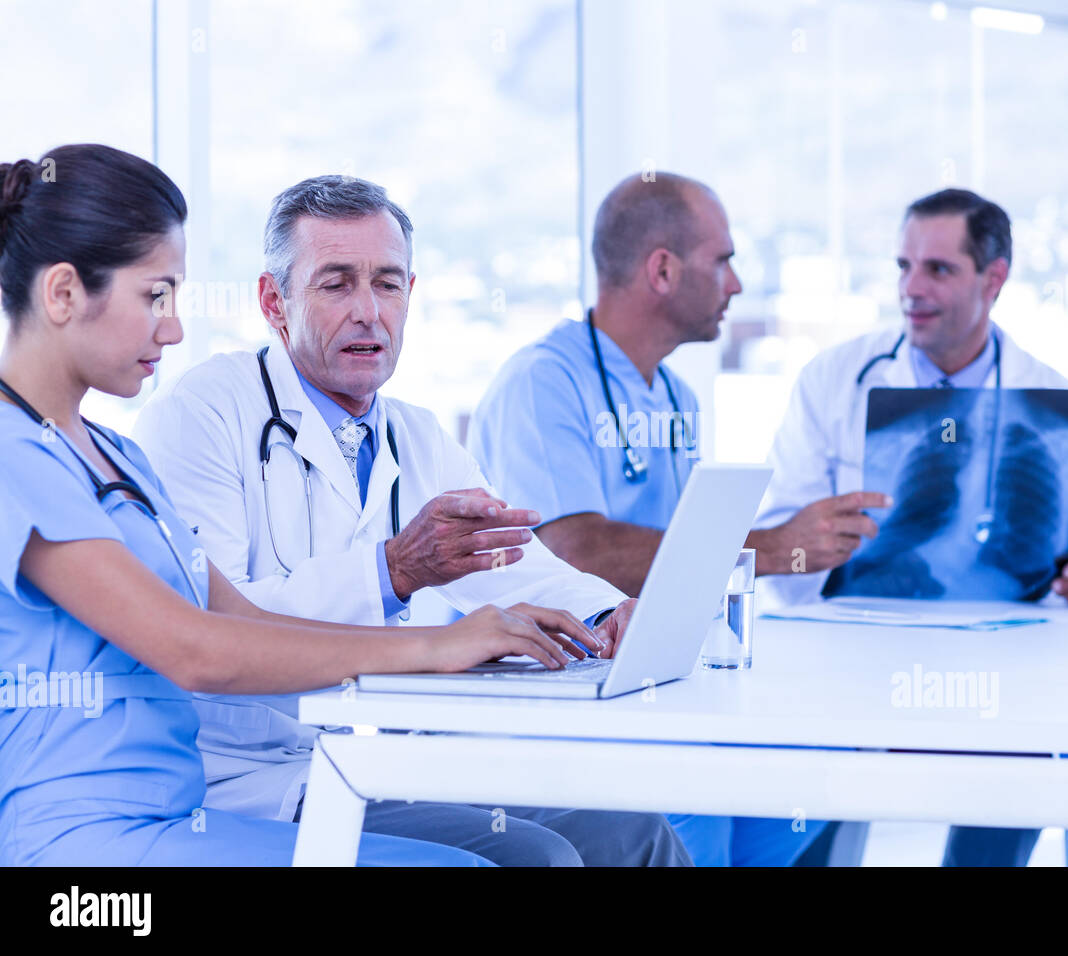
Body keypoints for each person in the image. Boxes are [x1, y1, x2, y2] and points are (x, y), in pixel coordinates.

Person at [0, 144, 591, 866]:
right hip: (82, 852)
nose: (174, 327)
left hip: (174, 814)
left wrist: (468, 638)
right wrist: (435, 643)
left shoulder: (115, 459)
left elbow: (241, 620)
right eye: (155, 295)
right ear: (62, 294)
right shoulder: (14, 455)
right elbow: (196, 651)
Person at [133, 174, 688, 867]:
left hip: (394, 758)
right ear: (274, 302)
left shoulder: (418, 438)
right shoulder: (204, 414)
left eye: (388, 284)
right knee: (536, 857)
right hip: (256, 776)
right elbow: (212, 631)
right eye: (336, 283)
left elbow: (523, 566)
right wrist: (391, 572)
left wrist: (611, 613)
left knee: (635, 833)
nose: (369, 311)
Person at [469, 172, 852, 866]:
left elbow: (684, 557)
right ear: (664, 270)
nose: (735, 285)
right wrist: (773, 547)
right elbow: (572, 547)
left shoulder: (675, 393)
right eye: (723, 261)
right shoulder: (542, 383)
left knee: (830, 777)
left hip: (666, 685)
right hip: (577, 704)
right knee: (698, 810)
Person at [755, 188, 1068, 867]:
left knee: (1013, 788)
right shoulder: (833, 378)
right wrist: (809, 539)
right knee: (813, 827)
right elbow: (778, 536)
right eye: (903, 266)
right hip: (853, 647)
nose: (910, 289)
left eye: (938, 270)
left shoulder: (1049, 395)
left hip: (1003, 656)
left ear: (994, 279)